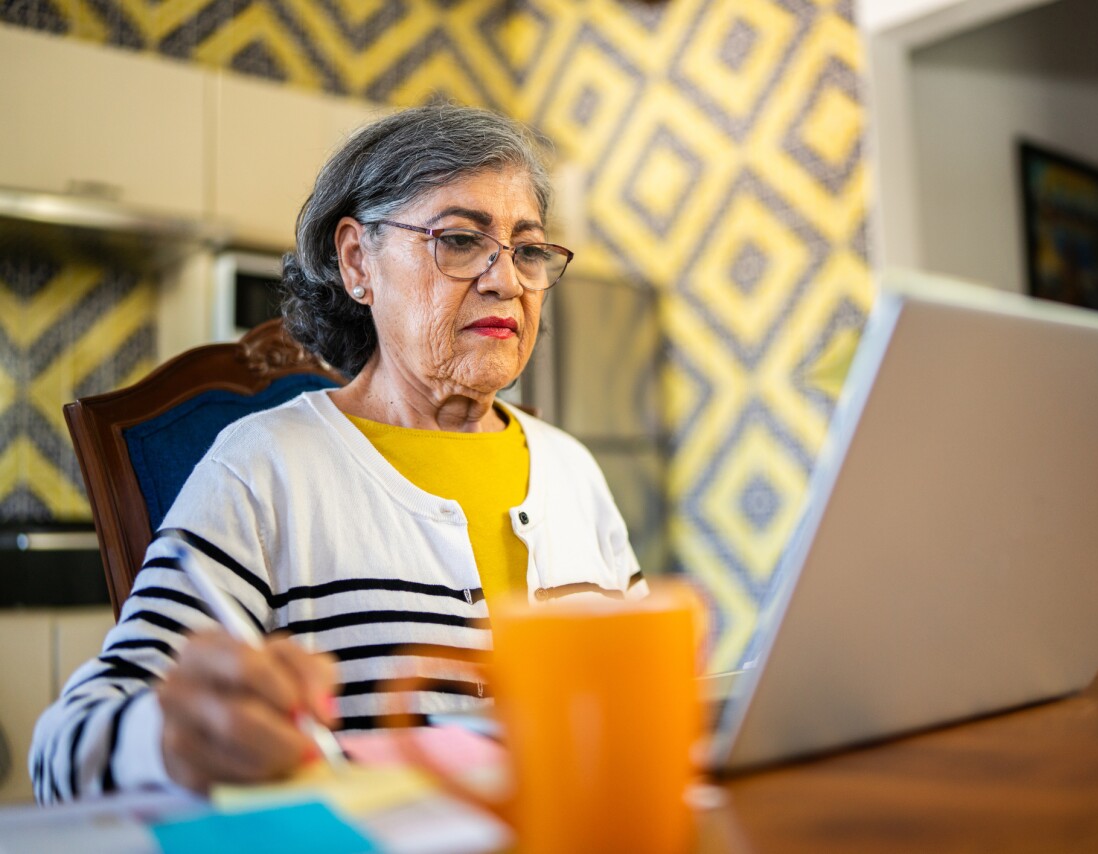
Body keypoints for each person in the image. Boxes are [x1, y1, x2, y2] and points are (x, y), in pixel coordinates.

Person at [30, 103, 645, 802]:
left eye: (527, 250)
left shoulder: (572, 469)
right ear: (358, 262)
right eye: (460, 240)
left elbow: (652, 691)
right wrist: (171, 739)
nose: (506, 280)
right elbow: (65, 746)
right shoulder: (264, 465)